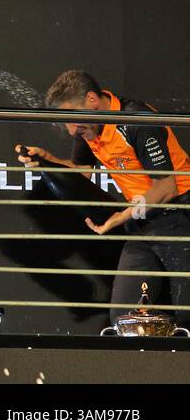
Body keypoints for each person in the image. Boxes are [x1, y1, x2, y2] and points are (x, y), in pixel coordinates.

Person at [18, 70, 190, 325]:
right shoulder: (90, 125)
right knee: (123, 318)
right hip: (143, 222)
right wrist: (48, 160)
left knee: (186, 318)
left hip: (181, 217)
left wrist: (119, 217)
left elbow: (166, 188)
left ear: (91, 100)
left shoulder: (137, 120)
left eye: (73, 118)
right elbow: (82, 172)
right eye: (64, 121)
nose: (71, 130)